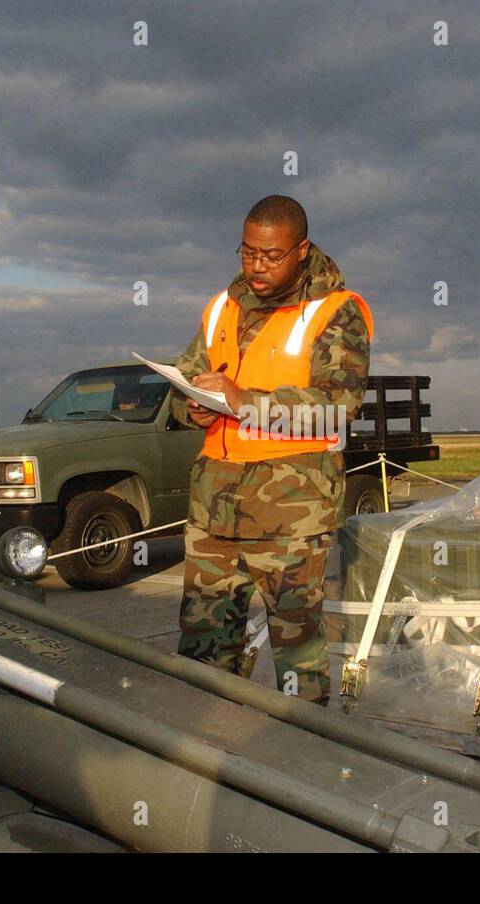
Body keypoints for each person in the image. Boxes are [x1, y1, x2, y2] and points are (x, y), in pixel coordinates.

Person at [169, 195, 373, 704]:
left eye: (272, 255)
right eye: (247, 252)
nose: (257, 265)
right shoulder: (222, 306)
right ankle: (205, 760)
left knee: (296, 659)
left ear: (300, 250)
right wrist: (189, 408)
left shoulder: (335, 312)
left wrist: (243, 402)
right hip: (214, 510)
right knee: (202, 650)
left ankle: (303, 764)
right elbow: (185, 381)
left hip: (290, 519)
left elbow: (335, 408)